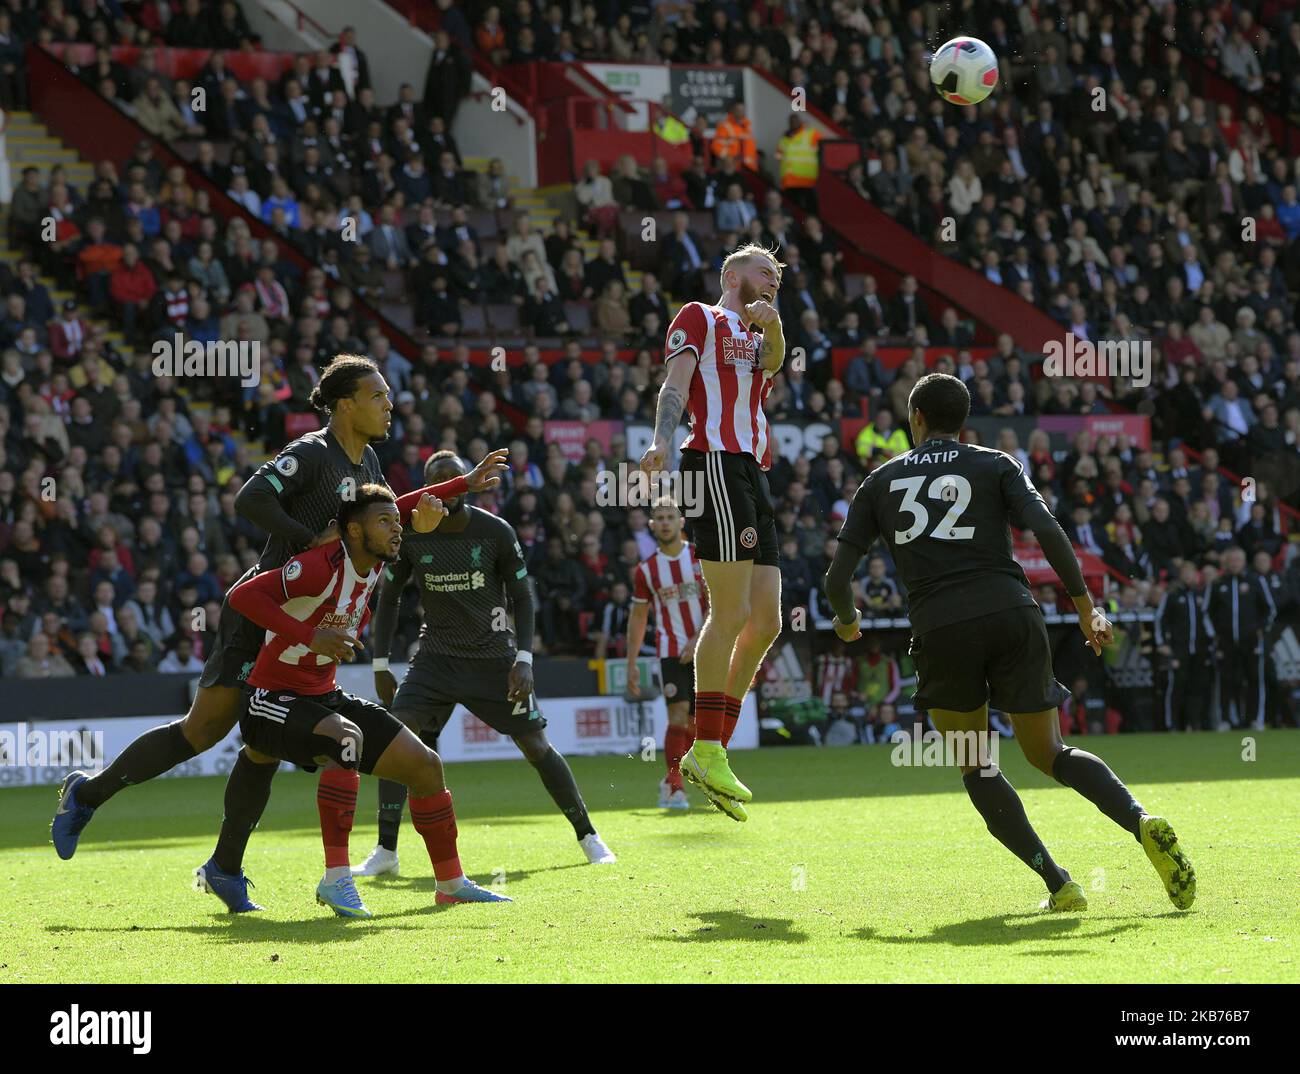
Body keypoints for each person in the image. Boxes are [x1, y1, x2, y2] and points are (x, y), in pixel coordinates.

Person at [52, 355, 508, 891]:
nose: (390, 405)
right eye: (378, 396)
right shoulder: (312, 453)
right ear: (345, 404)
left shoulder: (368, 466)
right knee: (203, 732)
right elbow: (251, 497)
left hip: (309, 616)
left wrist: (460, 487)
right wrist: (303, 535)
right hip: (264, 608)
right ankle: (88, 795)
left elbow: (385, 511)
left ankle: (224, 868)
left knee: (263, 743)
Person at [823, 372, 1196, 913]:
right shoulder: (995, 463)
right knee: (1050, 753)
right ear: (964, 421)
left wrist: (847, 620)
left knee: (977, 762)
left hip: (940, 626)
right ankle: (1141, 822)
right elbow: (1049, 531)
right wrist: (1085, 606)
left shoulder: (880, 481)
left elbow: (837, 579)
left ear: (917, 419)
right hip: (1012, 612)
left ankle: (1059, 883)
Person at [224, 483, 509, 916]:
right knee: (346, 739)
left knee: (426, 766)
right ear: (353, 531)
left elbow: (409, 504)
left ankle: (451, 883)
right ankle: (336, 880)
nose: (398, 528)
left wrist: (466, 484)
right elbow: (240, 596)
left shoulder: (376, 556)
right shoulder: (318, 567)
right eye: (385, 522)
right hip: (269, 699)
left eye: (398, 521)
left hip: (323, 696)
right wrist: (310, 635)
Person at [352, 451, 615, 877]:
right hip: (435, 659)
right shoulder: (413, 534)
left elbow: (524, 596)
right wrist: (380, 663)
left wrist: (525, 659)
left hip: (493, 660)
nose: (446, 489)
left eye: (453, 479)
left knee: (535, 746)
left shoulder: (494, 531)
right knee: (396, 739)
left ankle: (588, 835)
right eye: (437, 482)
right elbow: (390, 596)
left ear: (466, 483)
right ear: (427, 489)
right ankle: (386, 850)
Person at [639, 243, 786, 821]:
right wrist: (660, 440)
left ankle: (710, 748)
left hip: (753, 470)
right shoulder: (701, 315)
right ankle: (706, 750)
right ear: (731, 275)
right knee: (727, 615)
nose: (772, 281)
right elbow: (675, 384)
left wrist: (773, 324)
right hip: (714, 462)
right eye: (763, 271)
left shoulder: (759, 337)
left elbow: (774, 361)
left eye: (777, 277)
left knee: (767, 619)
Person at [626, 497, 707, 809]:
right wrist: (632, 663)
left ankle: (683, 778)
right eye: (658, 517)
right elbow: (638, 618)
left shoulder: (701, 559)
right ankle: (675, 784)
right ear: (651, 525)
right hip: (670, 651)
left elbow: (717, 604)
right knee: (677, 712)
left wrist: (698, 638)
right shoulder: (646, 571)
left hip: (705, 648)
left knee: (696, 722)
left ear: (681, 522)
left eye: (670, 516)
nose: (664, 522)